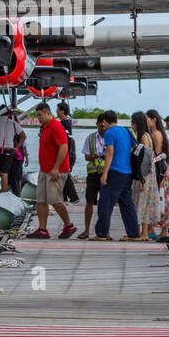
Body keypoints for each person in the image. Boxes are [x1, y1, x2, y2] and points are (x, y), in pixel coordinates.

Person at [27, 100, 76, 240]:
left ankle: (69, 225)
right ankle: (42, 230)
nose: (38, 118)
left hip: (56, 171)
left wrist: (56, 168)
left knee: (55, 200)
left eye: (40, 115)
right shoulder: (45, 127)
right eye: (37, 116)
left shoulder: (56, 126)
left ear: (48, 113)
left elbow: (63, 147)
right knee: (41, 200)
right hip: (44, 170)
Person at [95, 110, 140, 240]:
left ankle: (102, 234)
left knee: (105, 203)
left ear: (104, 121)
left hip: (115, 171)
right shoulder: (126, 131)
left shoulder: (109, 133)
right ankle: (134, 234)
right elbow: (136, 147)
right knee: (127, 205)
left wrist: (104, 174)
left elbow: (109, 153)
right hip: (128, 173)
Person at [132, 110, 163, 240]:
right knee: (145, 203)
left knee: (141, 203)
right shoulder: (147, 136)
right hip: (150, 175)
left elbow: (143, 159)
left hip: (145, 175)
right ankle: (143, 233)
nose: (132, 126)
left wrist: (141, 178)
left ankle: (143, 233)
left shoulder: (143, 137)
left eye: (133, 123)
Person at [147, 108, 169, 238]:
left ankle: (158, 230)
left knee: (161, 199)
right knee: (163, 199)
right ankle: (159, 230)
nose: (146, 121)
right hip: (162, 168)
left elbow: (158, 155)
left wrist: (149, 164)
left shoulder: (156, 134)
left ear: (154, 119)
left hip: (159, 170)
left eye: (147, 119)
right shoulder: (157, 133)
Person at [79, 112, 109, 238]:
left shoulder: (110, 137)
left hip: (105, 174)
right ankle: (86, 230)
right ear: (97, 124)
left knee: (105, 204)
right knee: (89, 203)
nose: (103, 128)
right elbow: (86, 156)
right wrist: (92, 156)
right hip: (92, 174)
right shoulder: (90, 138)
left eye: (105, 126)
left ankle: (105, 232)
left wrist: (104, 156)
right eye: (101, 126)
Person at [56, 101, 80, 204]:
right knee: (64, 174)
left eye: (57, 110)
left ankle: (73, 197)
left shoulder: (64, 123)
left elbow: (64, 139)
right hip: (69, 152)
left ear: (62, 111)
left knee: (65, 174)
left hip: (67, 152)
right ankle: (64, 198)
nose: (56, 112)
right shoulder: (67, 122)